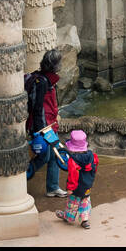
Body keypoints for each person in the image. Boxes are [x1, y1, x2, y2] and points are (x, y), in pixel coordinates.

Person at [25, 49, 68, 197]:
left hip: (49, 124)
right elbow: (37, 108)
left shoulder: (48, 79)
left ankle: (52, 187)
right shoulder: (42, 82)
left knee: (52, 155)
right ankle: (24, 174)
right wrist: (42, 130)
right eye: (59, 63)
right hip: (44, 126)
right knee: (48, 155)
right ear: (55, 66)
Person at [56, 130, 98, 229]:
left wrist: (70, 188)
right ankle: (85, 220)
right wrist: (90, 180)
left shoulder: (72, 160)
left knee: (73, 202)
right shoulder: (92, 156)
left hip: (76, 187)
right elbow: (94, 168)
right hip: (87, 184)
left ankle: (68, 217)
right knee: (85, 201)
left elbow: (73, 175)